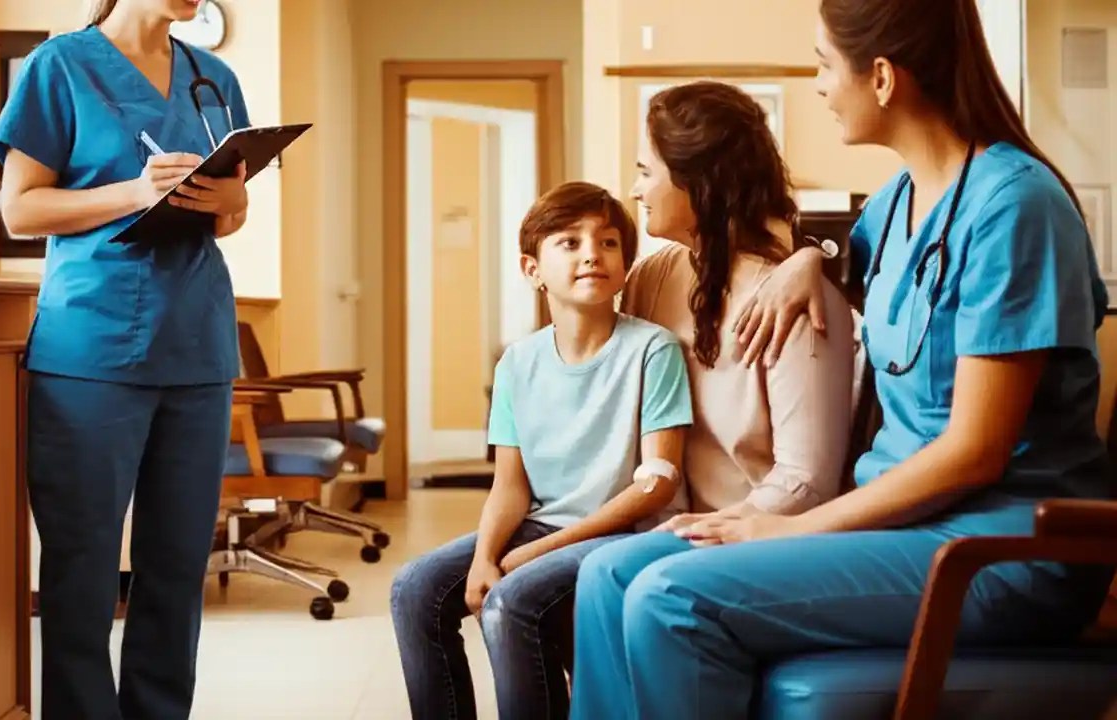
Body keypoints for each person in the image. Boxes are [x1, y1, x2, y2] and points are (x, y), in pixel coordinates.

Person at [569, 1, 1115, 718]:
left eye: (826, 65)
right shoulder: (895, 205)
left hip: (997, 544)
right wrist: (808, 257)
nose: (820, 86)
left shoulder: (1017, 207)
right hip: (906, 527)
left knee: (671, 599)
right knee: (608, 575)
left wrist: (789, 527)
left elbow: (975, 453)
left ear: (882, 78)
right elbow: (831, 255)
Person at [0, 0, 252, 717]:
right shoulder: (60, 66)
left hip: (197, 347)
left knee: (173, 571)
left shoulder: (213, 77)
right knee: (83, 570)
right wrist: (138, 192)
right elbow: (21, 209)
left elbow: (232, 212)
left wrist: (227, 199)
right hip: (90, 354)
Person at [390, 181, 693, 720]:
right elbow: (510, 486)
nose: (591, 255)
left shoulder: (653, 349)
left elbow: (658, 484)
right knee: (415, 588)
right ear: (532, 269)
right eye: (569, 243)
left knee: (509, 603)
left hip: (623, 531)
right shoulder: (517, 364)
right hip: (542, 523)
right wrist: (486, 556)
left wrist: (535, 553)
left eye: (607, 243)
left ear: (625, 264)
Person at [622, 81, 856, 521]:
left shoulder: (799, 303)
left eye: (646, 172)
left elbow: (804, 483)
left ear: (699, 184)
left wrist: (698, 531)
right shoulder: (649, 279)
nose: (636, 190)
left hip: (747, 537)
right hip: (650, 524)